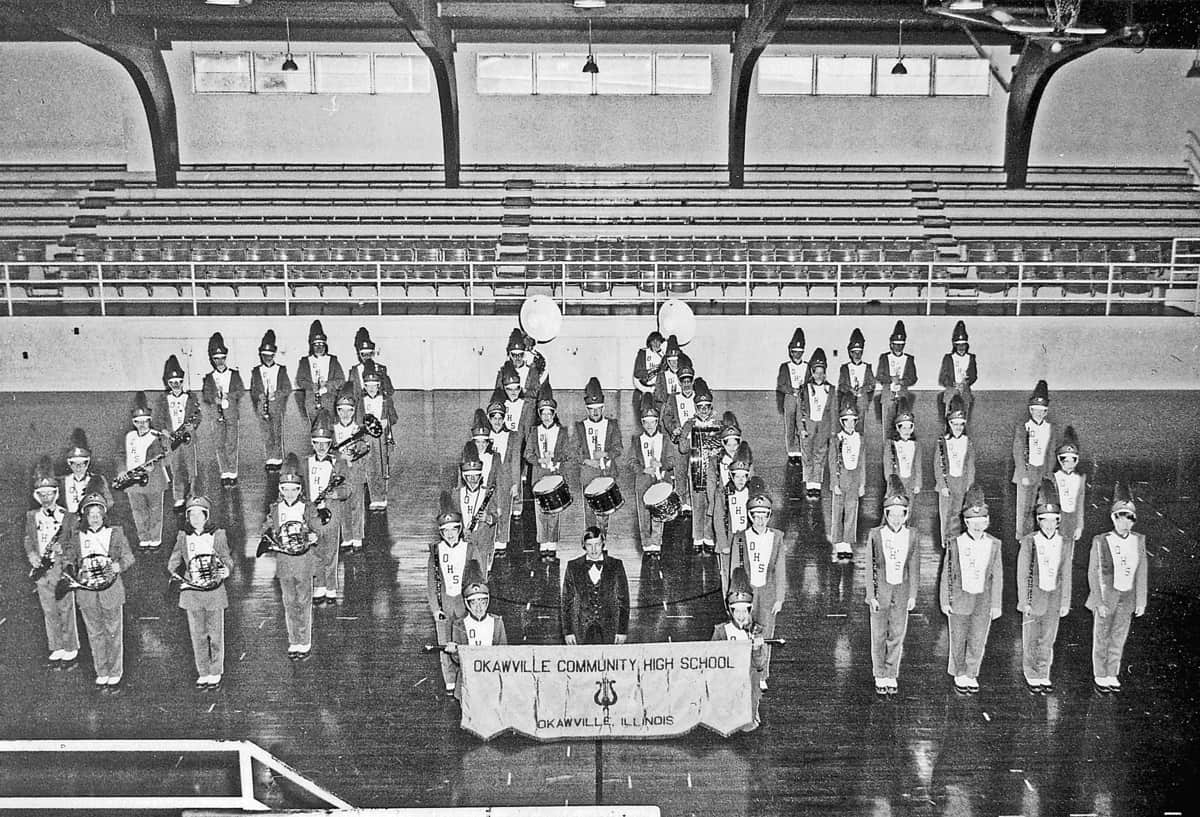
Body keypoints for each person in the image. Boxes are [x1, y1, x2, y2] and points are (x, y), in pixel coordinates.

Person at [62, 492, 134, 690]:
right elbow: (68, 559)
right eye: (90, 512)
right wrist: (72, 572)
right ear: (84, 515)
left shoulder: (116, 532)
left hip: (110, 590)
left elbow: (129, 557)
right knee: (94, 633)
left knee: (113, 632)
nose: (94, 516)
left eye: (98, 512)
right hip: (86, 592)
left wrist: (119, 565)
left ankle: (115, 671)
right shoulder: (77, 536)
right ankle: (101, 671)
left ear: (104, 514)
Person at [939, 485, 1002, 694]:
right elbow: (948, 573)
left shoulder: (994, 544)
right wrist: (945, 600)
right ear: (966, 523)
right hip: (960, 597)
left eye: (982, 522)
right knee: (958, 636)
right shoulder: (956, 543)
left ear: (987, 522)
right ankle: (958, 671)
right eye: (972, 522)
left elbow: (997, 576)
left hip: (983, 599)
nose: (977, 526)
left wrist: (996, 604)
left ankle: (972, 672)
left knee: (978, 637)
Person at [1085, 482, 1148, 693]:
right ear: (1113, 518)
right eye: (1121, 517)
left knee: (1119, 635)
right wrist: (1098, 600)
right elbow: (1093, 572)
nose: (1126, 523)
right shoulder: (1101, 540)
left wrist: (1141, 601)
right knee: (1101, 635)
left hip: (1127, 596)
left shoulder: (1139, 540)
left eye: (1130, 518)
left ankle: (1112, 672)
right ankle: (1100, 674)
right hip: (1106, 595)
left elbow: (1142, 572)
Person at [167, 496, 233, 689]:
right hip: (192, 592)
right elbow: (174, 559)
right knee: (197, 635)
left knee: (215, 633)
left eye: (199, 514)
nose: (195, 518)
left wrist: (227, 570)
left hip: (214, 591)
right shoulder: (183, 536)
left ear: (206, 516)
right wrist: (173, 572)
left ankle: (216, 670)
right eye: (191, 514)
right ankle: (203, 671)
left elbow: (226, 558)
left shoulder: (218, 535)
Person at [259, 454, 320, 660]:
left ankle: (305, 640)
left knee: (304, 601)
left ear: (300, 490)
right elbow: (266, 527)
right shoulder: (276, 509)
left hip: (303, 560)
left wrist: (313, 535)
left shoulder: (307, 508)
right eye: (286, 489)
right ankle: (293, 640)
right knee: (288, 602)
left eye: (294, 489)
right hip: (284, 561)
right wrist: (266, 534)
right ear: (280, 490)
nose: (290, 493)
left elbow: (317, 527)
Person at [1015, 480, 1073, 694]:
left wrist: (1065, 601)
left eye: (1053, 521)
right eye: (1044, 521)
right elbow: (1022, 574)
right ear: (1038, 521)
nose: (1049, 525)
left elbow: (1066, 574)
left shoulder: (1065, 543)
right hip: (1034, 598)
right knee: (1031, 636)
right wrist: (1024, 601)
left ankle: (1043, 672)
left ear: (1058, 521)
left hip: (1054, 598)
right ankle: (1030, 672)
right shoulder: (1030, 541)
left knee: (1049, 636)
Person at [867, 476, 919, 696]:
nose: (896, 519)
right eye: (892, 514)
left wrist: (913, 594)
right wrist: (871, 595)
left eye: (901, 514)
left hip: (902, 590)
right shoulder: (876, 535)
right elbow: (869, 567)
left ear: (906, 515)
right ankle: (879, 673)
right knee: (878, 634)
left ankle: (891, 673)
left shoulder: (913, 535)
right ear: (886, 514)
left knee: (897, 633)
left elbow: (914, 567)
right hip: (881, 592)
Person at [25, 457, 79, 669]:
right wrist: (31, 555)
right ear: (37, 496)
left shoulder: (68, 517)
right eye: (42, 494)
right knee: (48, 609)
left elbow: (75, 544)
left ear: (56, 494)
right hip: (41, 569)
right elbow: (28, 539)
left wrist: (63, 552)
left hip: (60, 567)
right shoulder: (32, 516)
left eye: (50, 493)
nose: (47, 498)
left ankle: (70, 646)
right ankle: (56, 645)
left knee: (65, 607)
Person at [731, 492, 787, 689]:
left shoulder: (777, 537)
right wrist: (734, 598)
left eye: (764, 516)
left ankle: (762, 674)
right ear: (750, 517)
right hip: (746, 594)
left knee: (764, 633)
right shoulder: (740, 538)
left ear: (769, 516)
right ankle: (744, 671)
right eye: (756, 516)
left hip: (768, 592)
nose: (760, 520)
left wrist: (780, 597)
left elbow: (780, 569)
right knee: (743, 632)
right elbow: (735, 570)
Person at [427, 507, 484, 695]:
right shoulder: (436, 550)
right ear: (441, 533)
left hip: (463, 601)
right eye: (446, 531)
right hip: (445, 602)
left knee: (466, 639)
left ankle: (468, 676)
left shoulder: (470, 549)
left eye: (454, 530)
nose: (450, 534)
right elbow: (431, 581)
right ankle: (450, 680)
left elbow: (479, 578)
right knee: (445, 641)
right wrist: (435, 608)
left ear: (459, 530)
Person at [303, 410, 351, 605]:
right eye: (318, 443)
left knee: (331, 552)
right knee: (315, 551)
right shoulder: (305, 463)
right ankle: (319, 585)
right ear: (313, 444)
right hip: (313, 514)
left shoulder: (337, 463)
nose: (322, 447)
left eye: (326, 443)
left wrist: (335, 494)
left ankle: (331, 587)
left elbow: (347, 488)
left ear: (330, 444)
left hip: (331, 514)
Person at [711, 566, 768, 731]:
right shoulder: (721, 630)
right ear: (730, 611)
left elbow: (759, 665)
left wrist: (757, 650)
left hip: (747, 682)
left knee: (747, 723)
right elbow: (711, 661)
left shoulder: (755, 631)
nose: (741, 615)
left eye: (745, 611)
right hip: (727, 680)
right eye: (737, 611)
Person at [443, 562, 508, 701]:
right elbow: (457, 660)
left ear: (488, 602)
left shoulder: (497, 623)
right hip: (468, 683)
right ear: (467, 604)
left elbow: (503, 652)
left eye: (482, 602)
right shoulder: (459, 625)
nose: (479, 607)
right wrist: (455, 651)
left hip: (491, 681)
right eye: (474, 603)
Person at [562, 527, 630, 646]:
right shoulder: (573, 566)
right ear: (583, 545)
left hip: (610, 629)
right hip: (580, 629)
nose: (593, 550)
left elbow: (624, 601)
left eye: (597, 544)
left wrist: (622, 630)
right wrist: (568, 632)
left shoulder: (616, 565)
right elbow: (566, 602)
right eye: (589, 545)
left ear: (603, 543)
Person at [525, 385, 570, 559]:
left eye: (549, 413)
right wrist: (539, 460)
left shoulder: (562, 432)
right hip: (538, 476)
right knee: (541, 511)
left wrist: (557, 460)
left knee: (554, 510)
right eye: (542, 413)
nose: (546, 417)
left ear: (554, 414)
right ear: (539, 414)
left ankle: (552, 542)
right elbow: (527, 453)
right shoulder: (534, 431)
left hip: (555, 477)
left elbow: (568, 454)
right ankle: (543, 542)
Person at [675, 377, 721, 549]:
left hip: (711, 470)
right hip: (695, 468)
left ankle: (709, 535)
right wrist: (687, 436)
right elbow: (682, 448)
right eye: (700, 407)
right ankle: (698, 536)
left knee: (711, 502)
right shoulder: (689, 424)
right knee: (697, 502)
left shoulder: (717, 424)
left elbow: (724, 449)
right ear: (695, 408)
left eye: (706, 407)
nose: (703, 410)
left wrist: (717, 451)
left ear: (711, 408)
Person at [630, 394, 677, 559]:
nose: (650, 426)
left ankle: (656, 543)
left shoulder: (664, 439)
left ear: (657, 422)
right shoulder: (637, 440)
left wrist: (662, 466)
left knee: (658, 512)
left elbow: (672, 460)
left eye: (653, 422)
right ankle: (646, 543)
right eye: (646, 422)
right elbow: (632, 461)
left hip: (659, 480)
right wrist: (643, 470)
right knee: (643, 513)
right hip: (643, 481)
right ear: (642, 423)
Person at [574, 377, 623, 533]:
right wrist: (588, 461)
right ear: (587, 409)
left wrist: (606, 454)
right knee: (590, 511)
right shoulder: (580, 426)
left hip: (607, 472)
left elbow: (618, 448)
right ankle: (591, 539)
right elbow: (573, 451)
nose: (595, 412)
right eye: (591, 409)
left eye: (598, 408)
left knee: (605, 511)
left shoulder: (612, 424)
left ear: (603, 408)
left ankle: (602, 540)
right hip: (588, 473)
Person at [1012, 379, 1057, 539]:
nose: (1038, 413)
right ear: (1030, 410)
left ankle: (1038, 539)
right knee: (1024, 508)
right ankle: (1022, 538)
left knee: (1042, 507)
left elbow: (1051, 453)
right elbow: (1017, 452)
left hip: (1042, 472)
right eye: (1035, 410)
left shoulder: (1050, 428)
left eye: (1042, 410)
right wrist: (1023, 475)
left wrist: (1048, 473)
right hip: (1026, 472)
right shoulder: (1023, 427)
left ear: (1046, 412)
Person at [155, 354, 201, 511]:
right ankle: (179, 497)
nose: (176, 385)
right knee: (176, 469)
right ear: (168, 383)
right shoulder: (163, 400)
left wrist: (192, 426)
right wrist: (164, 431)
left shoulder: (190, 397)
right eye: (172, 383)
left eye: (178, 382)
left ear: (182, 382)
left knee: (191, 468)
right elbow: (158, 419)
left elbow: (197, 416)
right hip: (172, 439)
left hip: (187, 439)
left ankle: (194, 494)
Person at [122, 392, 167, 551]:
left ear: (149, 421)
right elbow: (123, 456)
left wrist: (154, 465)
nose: (142, 425)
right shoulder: (129, 436)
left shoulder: (157, 437)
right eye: (138, 422)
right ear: (134, 423)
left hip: (153, 481)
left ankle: (155, 539)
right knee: (138, 511)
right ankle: (144, 538)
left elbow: (166, 458)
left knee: (155, 510)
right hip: (133, 481)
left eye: (145, 422)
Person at [201, 332, 245, 487]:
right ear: (212, 360)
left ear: (226, 358)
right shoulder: (209, 377)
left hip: (231, 412)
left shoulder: (234, 374)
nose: (219, 361)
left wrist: (229, 396)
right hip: (216, 413)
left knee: (231, 442)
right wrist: (215, 399)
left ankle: (233, 471)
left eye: (222, 358)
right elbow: (206, 394)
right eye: (216, 359)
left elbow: (241, 391)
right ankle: (224, 471)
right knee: (219, 442)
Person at [709, 442, 754, 594]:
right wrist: (723, 544)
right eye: (737, 476)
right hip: (729, 540)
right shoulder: (723, 493)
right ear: (731, 476)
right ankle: (729, 605)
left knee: (747, 572)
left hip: (746, 539)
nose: (741, 480)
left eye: (744, 476)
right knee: (728, 574)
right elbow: (718, 519)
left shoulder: (752, 493)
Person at [482, 396, 525, 557]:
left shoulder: (513, 436)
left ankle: (501, 541)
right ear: (489, 418)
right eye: (494, 418)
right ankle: (488, 539)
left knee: (504, 509)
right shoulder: (483, 437)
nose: (498, 422)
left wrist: (516, 484)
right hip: (487, 479)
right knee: (488, 509)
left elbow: (515, 461)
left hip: (505, 479)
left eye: (501, 418)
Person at [934, 394, 975, 546]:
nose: (958, 427)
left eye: (961, 424)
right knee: (946, 512)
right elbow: (937, 466)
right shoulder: (942, 441)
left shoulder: (967, 442)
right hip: (947, 482)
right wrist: (943, 485)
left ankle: (956, 539)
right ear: (949, 424)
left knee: (958, 511)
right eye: (954, 424)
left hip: (962, 482)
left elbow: (971, 464)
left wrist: (969, 483)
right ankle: (945, 541)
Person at [828, 395, 866, 564]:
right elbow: (832, 463)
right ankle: (838, 541)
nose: (850, 424)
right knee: (838, 510)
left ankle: (847, 541)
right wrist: (834, 484)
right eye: (847, 421)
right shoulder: (836, 439)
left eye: (853, 421)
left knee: (852, 510)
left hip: (854, 479)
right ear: (842, 422)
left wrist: (862, 483)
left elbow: (862, 463)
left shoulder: (860, 439)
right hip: (840, 479)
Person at [249, 330, 291, 472]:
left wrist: (276, 394)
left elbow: (287, 389)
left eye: (270, 355)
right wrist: (259, 396)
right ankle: (270, 458)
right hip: (262, 406)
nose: (267, 358)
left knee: (276, 432)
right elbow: (253, 390)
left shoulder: (281, 369)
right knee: (266, 432)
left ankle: (278, 457)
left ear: (274, 355)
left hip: (276, 405)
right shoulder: (256, 371)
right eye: (264, 355)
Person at [358, 360, 397, 511]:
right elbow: (358, 417)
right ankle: (373, 495)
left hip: (380, 436)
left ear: (379, 385)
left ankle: (380, 496)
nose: (372, 389)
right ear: (365, 386)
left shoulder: (385, 400)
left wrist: (387, 421)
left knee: (380, 466)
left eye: (375, 385)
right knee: (369, 465)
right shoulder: (361, 400)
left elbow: (393, 417)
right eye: (369, 386)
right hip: (367, 435)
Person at [332, 390, 367, 552]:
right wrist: (340, 455)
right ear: (337, 411)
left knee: (357, 505)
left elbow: (364, 447)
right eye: (341, 410)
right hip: (340, 473)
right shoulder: (333, 430)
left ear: (354, 411)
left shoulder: (359, 429)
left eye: (349, 410)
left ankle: (357, 537)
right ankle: (346, 537)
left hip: (355, 472)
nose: (345, 414)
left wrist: (353, 454)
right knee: (343, 505)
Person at [453, 448, 498, 573]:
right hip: (465, 539)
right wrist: (461, 530)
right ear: (463, 477)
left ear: (480, 476)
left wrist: (488, 518)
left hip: (483, 540)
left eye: (475, 476)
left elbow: (496, 516)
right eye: (469, 477)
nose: (472, 480)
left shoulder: (487, 493)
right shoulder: (457, 494)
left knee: (481, 575)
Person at [797, 347, 834, 499]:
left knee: (820, 454)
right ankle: (809, 482)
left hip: (823, 427)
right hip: (809, 427)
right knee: (807, 454)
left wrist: (832, 431)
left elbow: (833, 410)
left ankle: (816, 484)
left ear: (825, 372)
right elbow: (800, 411)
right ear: (811, 372)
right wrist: (801, 429)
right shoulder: (804, 389)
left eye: (821, 372)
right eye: (815, 372)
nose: (819, 375)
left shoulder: (830, 389)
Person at [294, 320, 346, 422]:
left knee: (329, 429)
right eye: (316, 344)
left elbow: (341, 380)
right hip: (311, 402)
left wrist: (327, 386)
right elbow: (299, 381)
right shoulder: (305, 361)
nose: (318, 347)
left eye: (321, 344)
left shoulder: (333, 361)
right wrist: (311, 386)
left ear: (325, 346)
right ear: (312, 346)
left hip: (329, 401)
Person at [876, 320, 917, 433]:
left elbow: (913, 378)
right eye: (896, 344)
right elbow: (879, 376)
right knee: (888, 427)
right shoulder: (884, 357)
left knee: (902, 426)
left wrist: (903, 381)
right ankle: (888, 449)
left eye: (901, 345)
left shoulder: (909, 359)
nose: (898, 347)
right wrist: (890, 379)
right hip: (888, 397)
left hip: (903, 396)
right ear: (891, 344)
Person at [1053, 426, 1088, 558]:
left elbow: (1080, 504)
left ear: (1077, 460)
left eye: (1072, 459)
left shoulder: (1080, 478)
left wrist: (1079, 526)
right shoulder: (1054, 476)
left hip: (1072, 518)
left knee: (1069, 554)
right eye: (1064, 460)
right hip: (1057, 518)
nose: (1068, 463)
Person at [58, 429, 111, 515]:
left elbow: (109, 502)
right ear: (69, 464)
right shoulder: (62, 482)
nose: (78, 467)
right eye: (74, 463)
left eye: (82, 463)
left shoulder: (98, 479)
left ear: (87, 463)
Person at [883, 396, 925, 501]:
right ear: (898, 428)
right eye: (903, 428)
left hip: (910, 481)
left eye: (909, 427)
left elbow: (918, 465)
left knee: (908, 507)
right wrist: (890, 482)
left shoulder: (916, 445)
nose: (906, 431)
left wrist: (917, 484)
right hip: (896, 481)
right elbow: (887, 465)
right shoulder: (891, 444)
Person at [775, 328, 807, 463]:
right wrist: (791, 390)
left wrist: (803, 391)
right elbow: (780, 385)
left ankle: (800, 451)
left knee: (802, 424)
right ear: (790, 352)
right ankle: (791, 452)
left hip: (803, 399)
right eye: (794, 352)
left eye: (799, 353)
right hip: (790, 397)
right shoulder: (785, 366)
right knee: (790, 424)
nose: (796, 355)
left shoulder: (807, 366)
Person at [937, 320, 977, 422]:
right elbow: (942, 377)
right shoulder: (949, 358)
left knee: (966, 408)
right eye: (959, 345)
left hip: (965, 387)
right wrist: (953, 384)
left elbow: (974, 375)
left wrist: (966, 382)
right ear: (955, 346)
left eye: (963, 345)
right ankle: (946, 430)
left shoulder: (971, 358)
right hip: (952, 387)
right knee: (949, 409)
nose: (961, 348)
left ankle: (964, 430)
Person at [837, 328, 875, 433]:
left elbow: (872, 384)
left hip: (861, 399)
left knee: (860, 424)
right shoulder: (845, 368)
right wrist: (850, 390)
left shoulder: (867, 367)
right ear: (850, 353)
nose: (857, 355)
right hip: (848, 399)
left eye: (859, 352)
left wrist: (863, 389)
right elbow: (841, 385)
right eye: (854, 352)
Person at [495, 327, 549, 397]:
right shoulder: (503, 373)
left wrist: (524, 392)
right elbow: (498, 395)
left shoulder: (532, 372)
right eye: (514, 355)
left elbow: (538, 393)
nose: (517, 358)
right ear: (509, 354)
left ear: (524, 354)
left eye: (520, 354)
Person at [347, 326, 395, 400]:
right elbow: (351, 393)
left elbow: (390, 391)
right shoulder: (354, 371)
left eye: (369, 354)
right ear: (359, 355)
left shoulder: (381, 369)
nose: (366, 357)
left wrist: (382, 378)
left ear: (372, 354)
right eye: (364, 354)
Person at [632, 330, 665, 419]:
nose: (656, 343)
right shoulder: (643, 353)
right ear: (649, 342)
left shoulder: (663, 355)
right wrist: (651, 371)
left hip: (658, 390)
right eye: (653, 341)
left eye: (658, 341)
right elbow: (637, 373)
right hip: (645, 388)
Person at [652, 335, 689, 410]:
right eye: (671, 361)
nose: (674, 364)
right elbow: (658, 397)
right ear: (667, 362)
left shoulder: (686, 375)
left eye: (676, 361)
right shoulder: (662, 376)